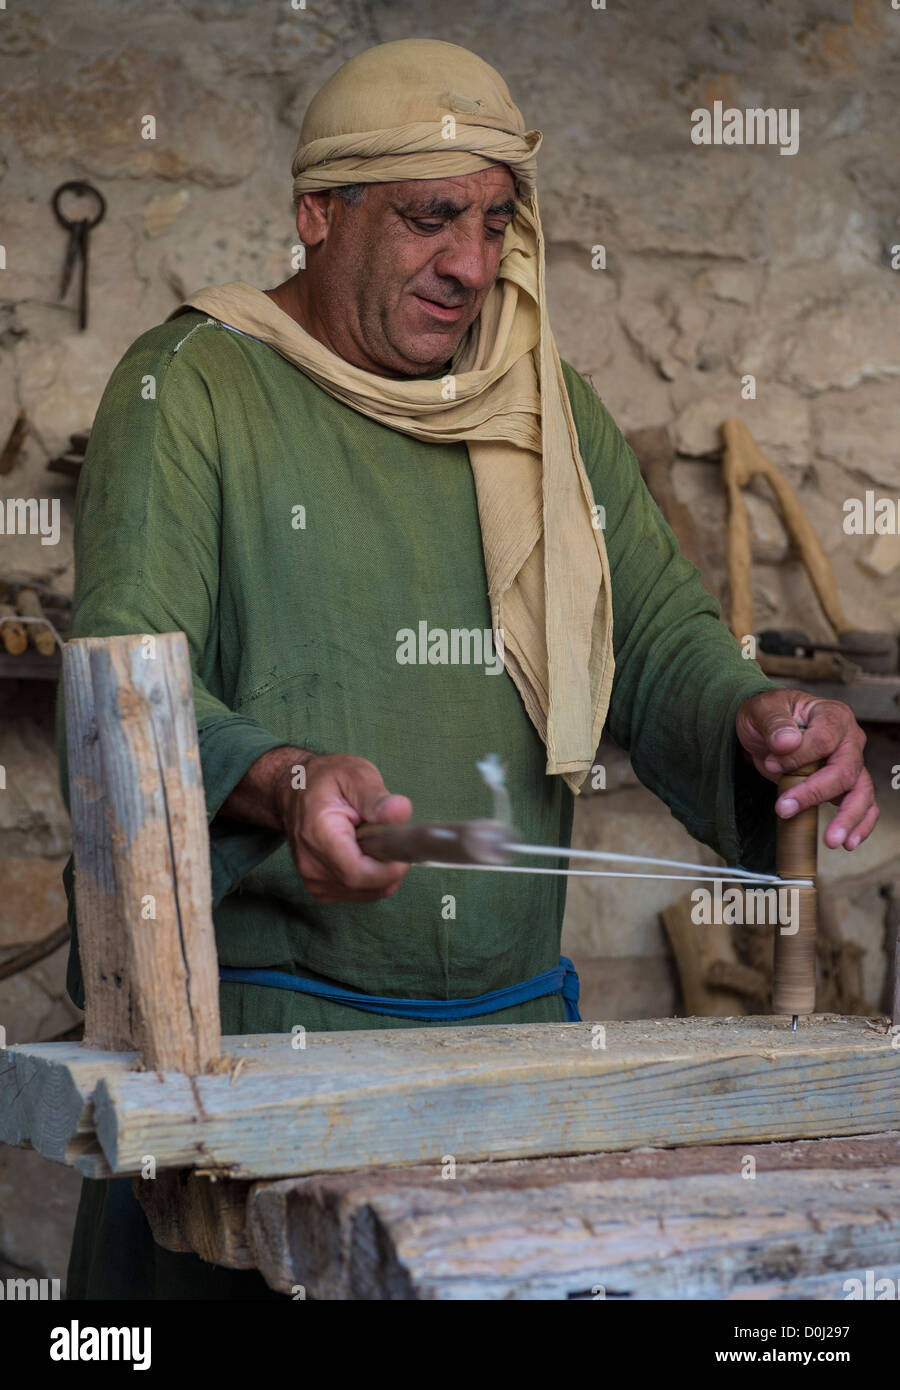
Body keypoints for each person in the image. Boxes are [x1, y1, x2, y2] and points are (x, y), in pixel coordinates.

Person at [56, 39, 877, 1299]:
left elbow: (661, 645)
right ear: (317, 214)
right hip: (256, 1071)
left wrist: (763, 722)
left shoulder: (544, 410)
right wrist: (284, 780)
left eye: (496, 224)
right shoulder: (192, 388)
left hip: (514, 1078)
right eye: (430, 218)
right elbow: (129, 705)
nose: (471, 264)